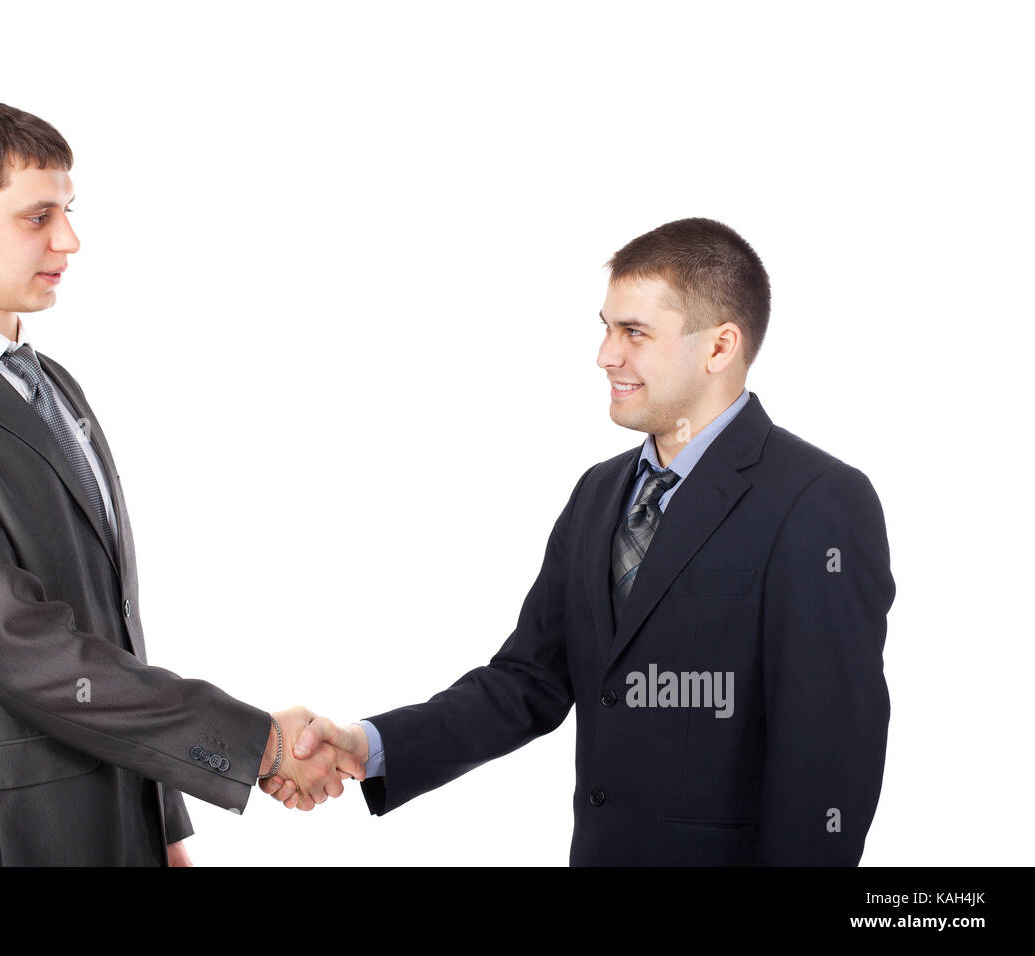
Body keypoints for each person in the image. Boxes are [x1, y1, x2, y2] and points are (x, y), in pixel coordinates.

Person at [262, 218, 895, 866]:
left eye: (635, 333)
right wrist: (367, 745)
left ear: (719, 347)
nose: (606, 355)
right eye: (606, 327)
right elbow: (526, 682)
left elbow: (827, 756)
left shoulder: (818, 502)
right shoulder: (599, 492)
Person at [0, 99, 363, 866]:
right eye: (37, 216)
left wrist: (168, 827)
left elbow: (111, 639)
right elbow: (28, 651)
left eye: (68, 212)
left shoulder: (55, 387)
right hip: (4, 844)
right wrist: (258, 745)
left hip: (120, 830)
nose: (70, 239)